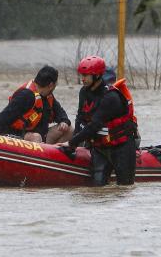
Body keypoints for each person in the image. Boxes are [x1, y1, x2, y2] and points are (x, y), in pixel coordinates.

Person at [56, 56, 138, 186]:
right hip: (100, 148)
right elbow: (80, 118)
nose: (82, 78)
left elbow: (94, 125)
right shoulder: (83, 92)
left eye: (86, 75)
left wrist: (71, 142)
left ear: (98, 75)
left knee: (125, 187)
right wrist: (75, 144)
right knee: (97, 189)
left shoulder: (111, 97)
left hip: (122, 147)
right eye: (82, 74)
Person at [0, 65, 72, 144]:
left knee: (69, 129)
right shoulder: (26, 95)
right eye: (56, 84)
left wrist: (64, 121)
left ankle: (52, 157)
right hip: (19, 137)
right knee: (36, 137)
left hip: (42, 140)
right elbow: (3, 118)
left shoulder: (48, 95)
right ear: (51, 85)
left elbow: (60, 112)